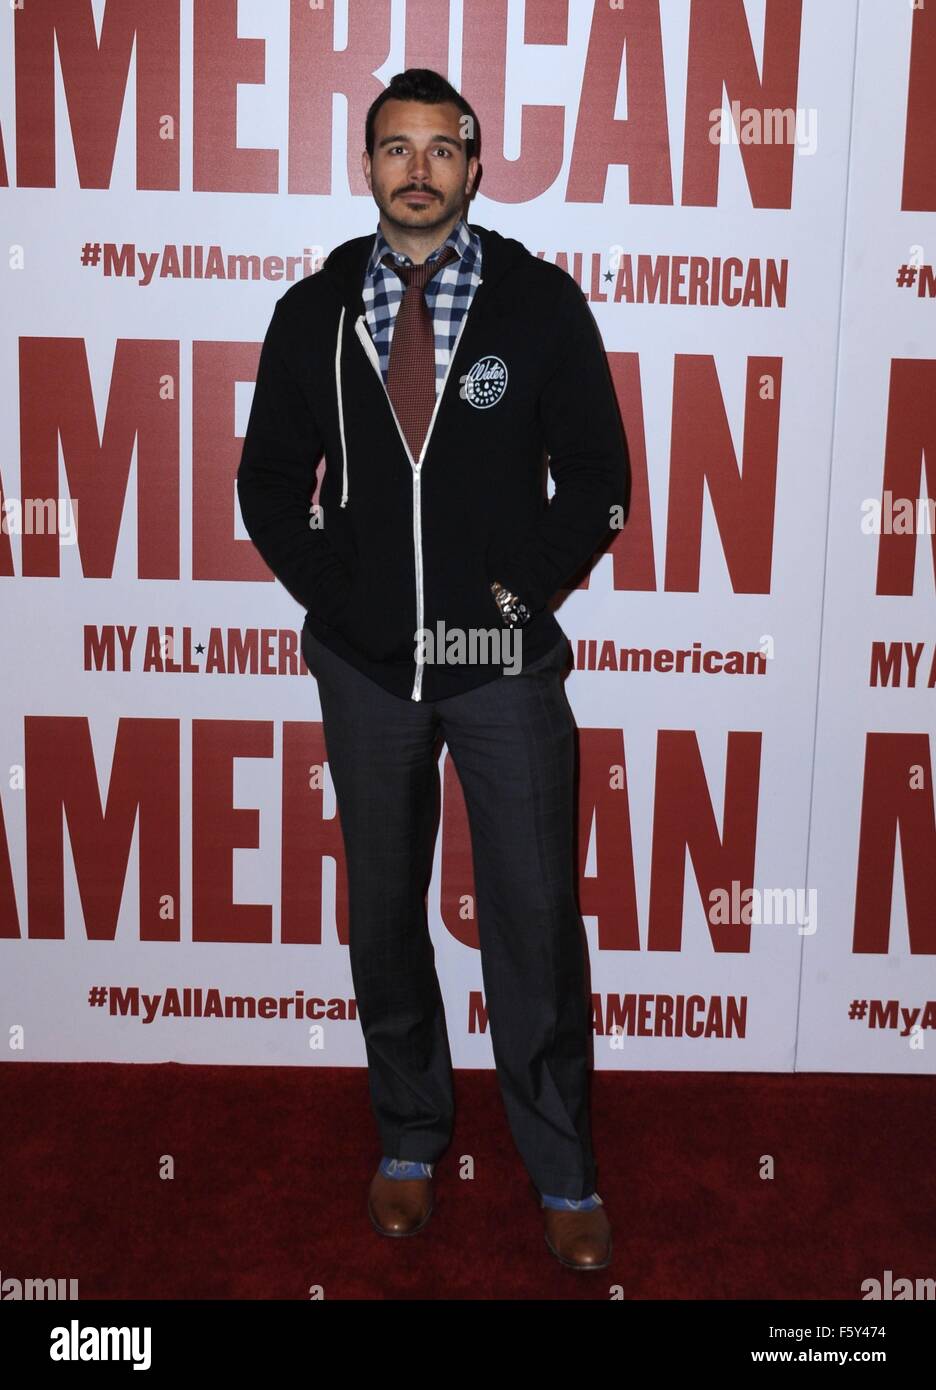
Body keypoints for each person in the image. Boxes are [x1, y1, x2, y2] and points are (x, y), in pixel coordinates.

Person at [237, 68, 630, 1271]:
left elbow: (600, 481)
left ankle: (560, 1166)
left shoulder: (539, 303)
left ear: (473, 163)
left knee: (531, 915)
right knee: (383, 912)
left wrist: (509, 611)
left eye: (439, 148)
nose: (417, 167)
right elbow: (266, 488)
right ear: (366, 168)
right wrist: (349, 606)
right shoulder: (313, 312)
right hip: (367, 670)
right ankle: (409, 1134)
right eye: (393, 148)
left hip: (498, 668)